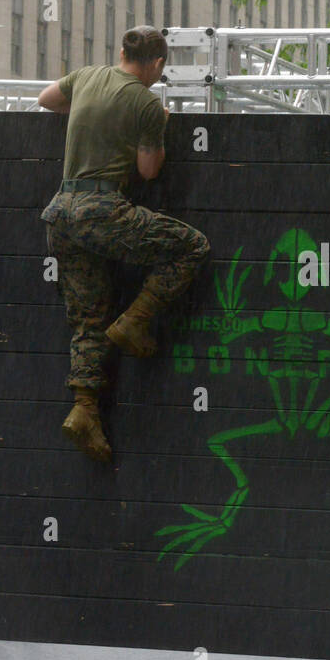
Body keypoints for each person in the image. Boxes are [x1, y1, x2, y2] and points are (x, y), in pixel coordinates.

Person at [37, 26, 211, 462]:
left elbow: (46, 100)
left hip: (60, 213)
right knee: (191, 247)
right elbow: (149, 171)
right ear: (155, 64)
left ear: (120, 52)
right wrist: (157, 130)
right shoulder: (146, 101)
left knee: (88, 317)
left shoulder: (86, 76)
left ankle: (84, 410)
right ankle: (135, 320)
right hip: (102, 210)